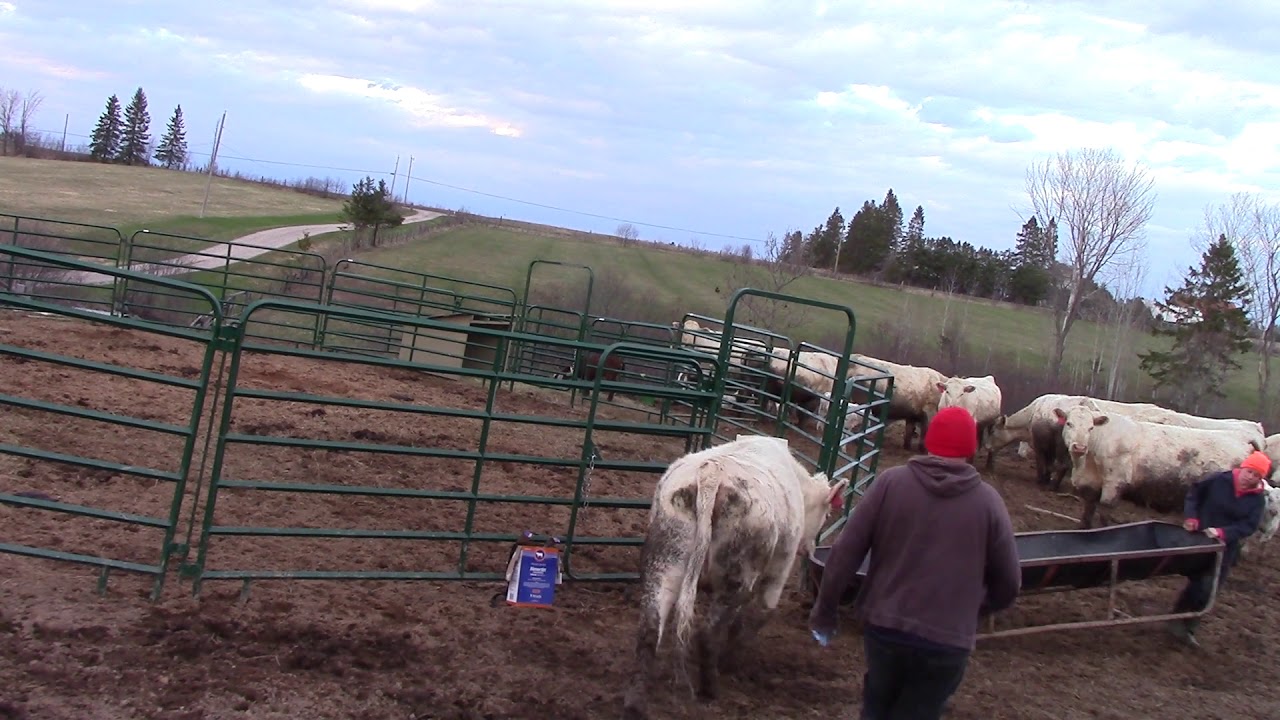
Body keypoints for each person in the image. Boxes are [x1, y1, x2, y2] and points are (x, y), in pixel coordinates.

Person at [809, 406, 1021, 720]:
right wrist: (974, 608)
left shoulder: (890, 485)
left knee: (877, 708)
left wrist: (825, 611)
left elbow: (843, 554)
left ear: (929, 441)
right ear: (970, 449)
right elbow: (1009, 584)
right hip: (947, 642)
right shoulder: (988, 503)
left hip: (886, 629)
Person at [1168, 450, 1272, 648]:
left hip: (1224, 547)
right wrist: (1192, 517)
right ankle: (1176, 617)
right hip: (1199, 539)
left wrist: (1223, 532)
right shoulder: (1218, 480)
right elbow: (1194, 494)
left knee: (1208, 587)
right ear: (1243, 468)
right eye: (1249, 472)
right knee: (1195, 580)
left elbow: (1248, 526)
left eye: (1257, 476)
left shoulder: (1257, 500)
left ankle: (1188, 626)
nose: (1250, 478)